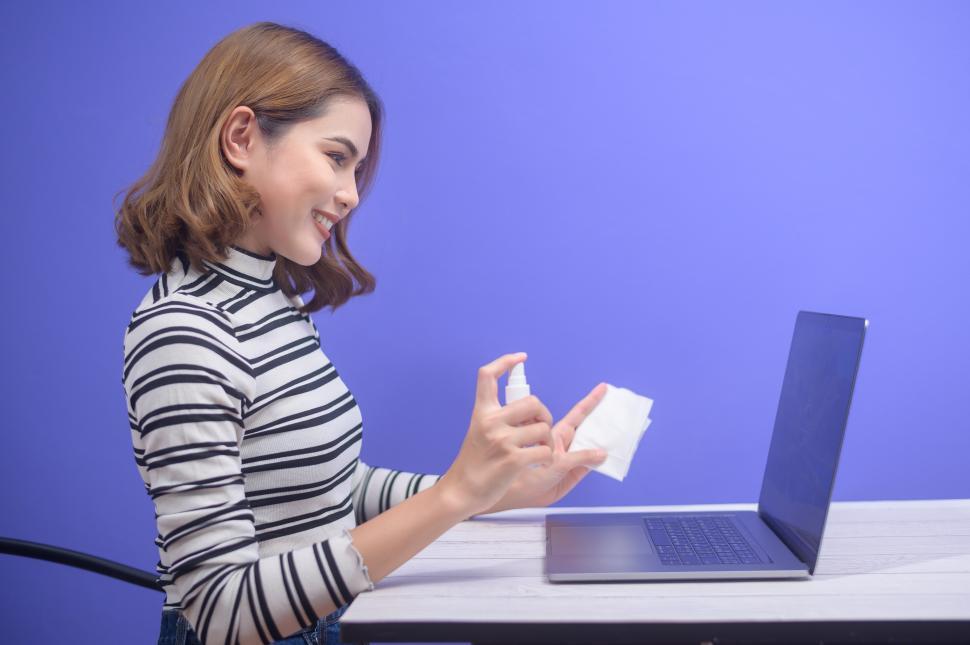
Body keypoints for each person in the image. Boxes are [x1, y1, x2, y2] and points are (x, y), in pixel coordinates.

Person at [114, 21, 608, 645]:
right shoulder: (183, 332)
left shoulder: (273, 303)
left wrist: (494, 489)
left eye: (357, 169)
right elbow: (221, 612)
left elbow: (335, 491)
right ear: (242, 137)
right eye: (337, 157)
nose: (350, 195)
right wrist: (453, 495)